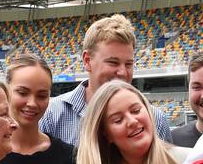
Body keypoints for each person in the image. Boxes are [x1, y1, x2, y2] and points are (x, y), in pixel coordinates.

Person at [40, 14, 172, 147]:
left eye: (128, 64)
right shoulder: (51, 116)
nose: (123, 72)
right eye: (113, 62)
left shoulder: (155, 120)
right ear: (87, 60)